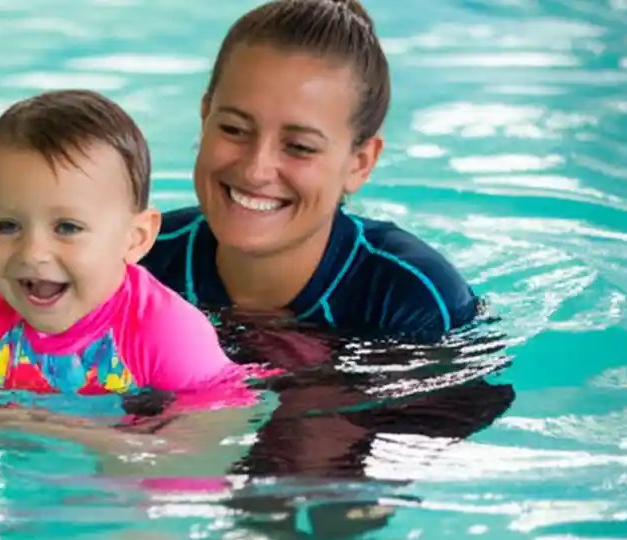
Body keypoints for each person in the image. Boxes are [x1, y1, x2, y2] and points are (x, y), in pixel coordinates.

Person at [0, 89, 278, 448]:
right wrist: (9, 424)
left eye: (67, 228)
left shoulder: (165, 332)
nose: (32, 252)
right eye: (7, 226)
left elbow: (220, 429)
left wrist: (67, 432)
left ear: (136, 238)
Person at [141, 0, 479, 342]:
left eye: (300, 147)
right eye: (233, 129)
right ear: (204, 119)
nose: (256, 170)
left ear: (360, 163)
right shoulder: (136, 263)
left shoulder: (415, 303)